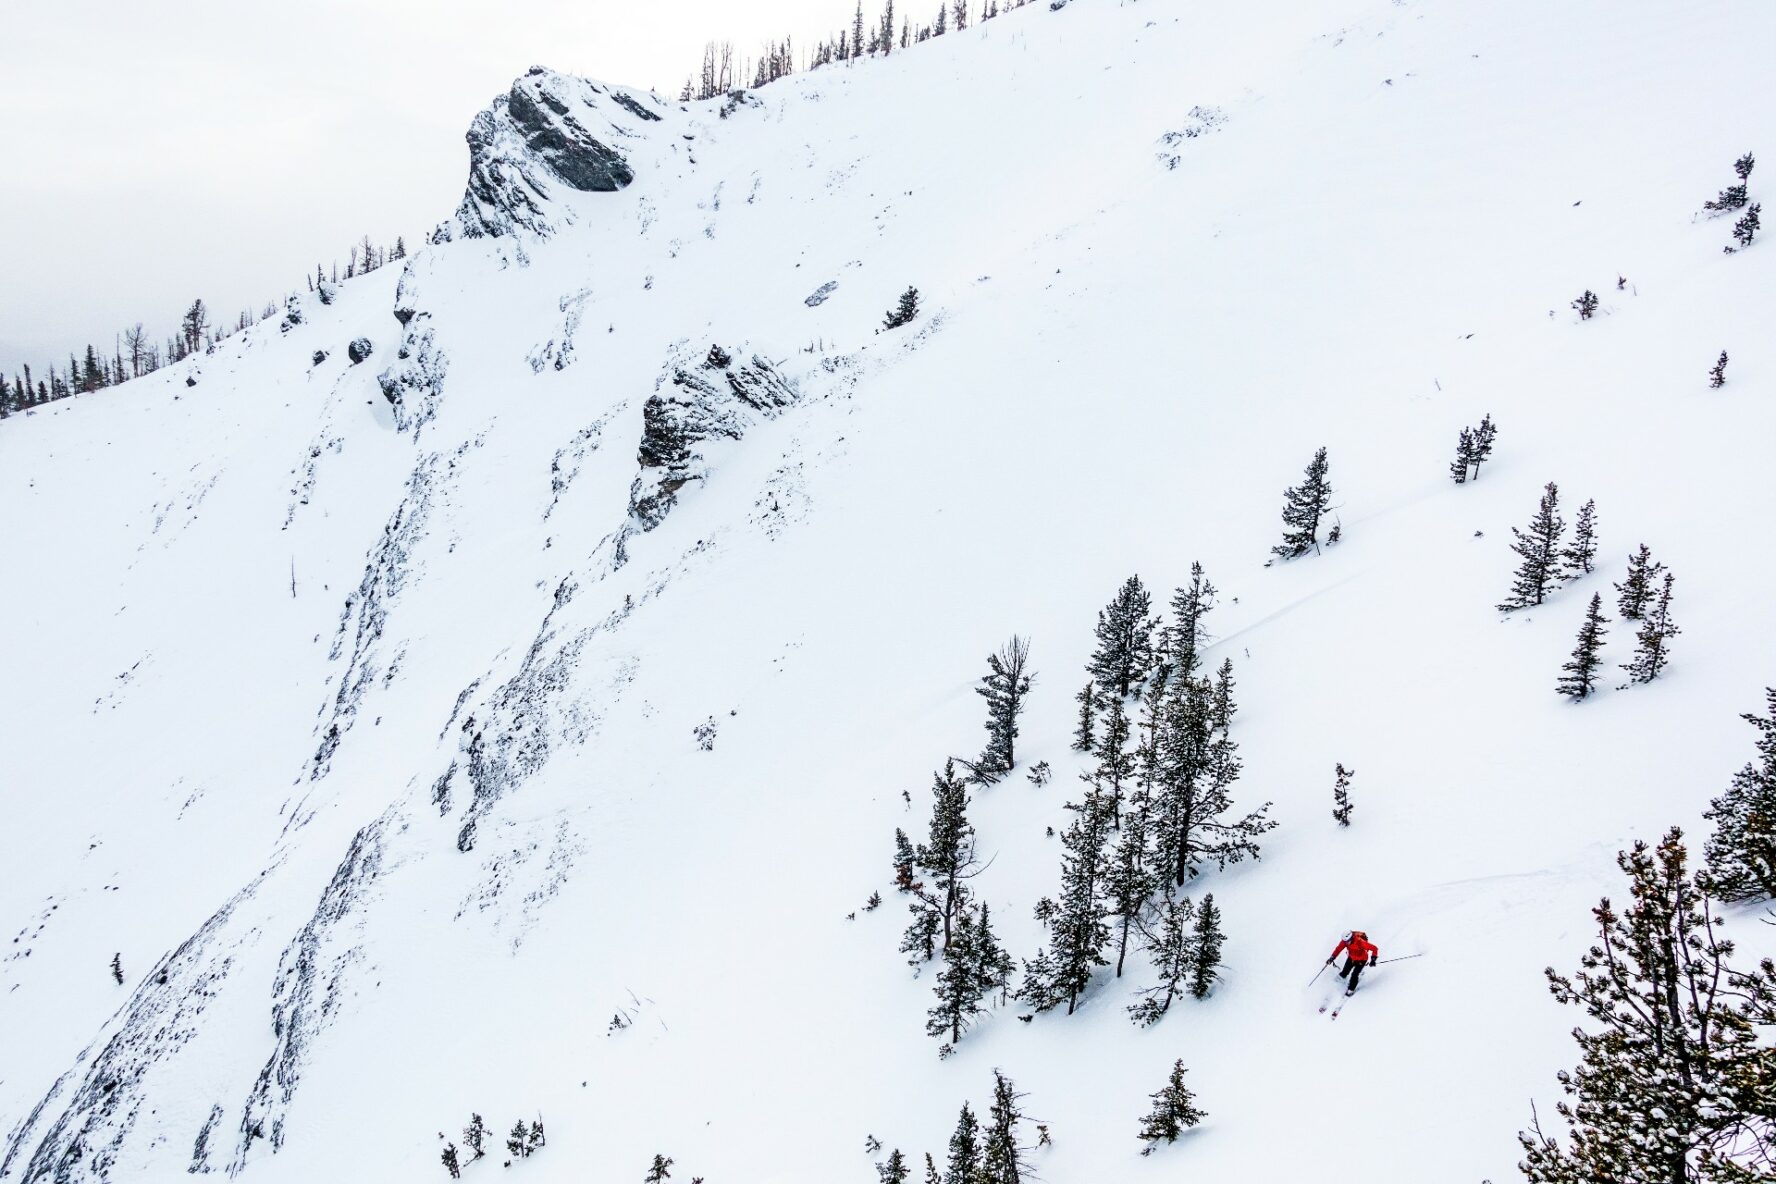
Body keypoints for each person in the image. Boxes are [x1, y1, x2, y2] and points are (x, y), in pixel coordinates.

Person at [1326, 929, 1379, 996]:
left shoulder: (1360, 942)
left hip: (1361, 960)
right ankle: (1337, 983)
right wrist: (1332, 958)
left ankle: (1351, 989)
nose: (1346, 943)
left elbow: (1374, 948)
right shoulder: (1344, 941)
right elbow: (1338, 949)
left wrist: (1373, 959)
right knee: (1345, 971)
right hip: (1351, 958)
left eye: (1347, 941)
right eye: (1345, 942)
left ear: (1351, 938)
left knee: (1354, 975)